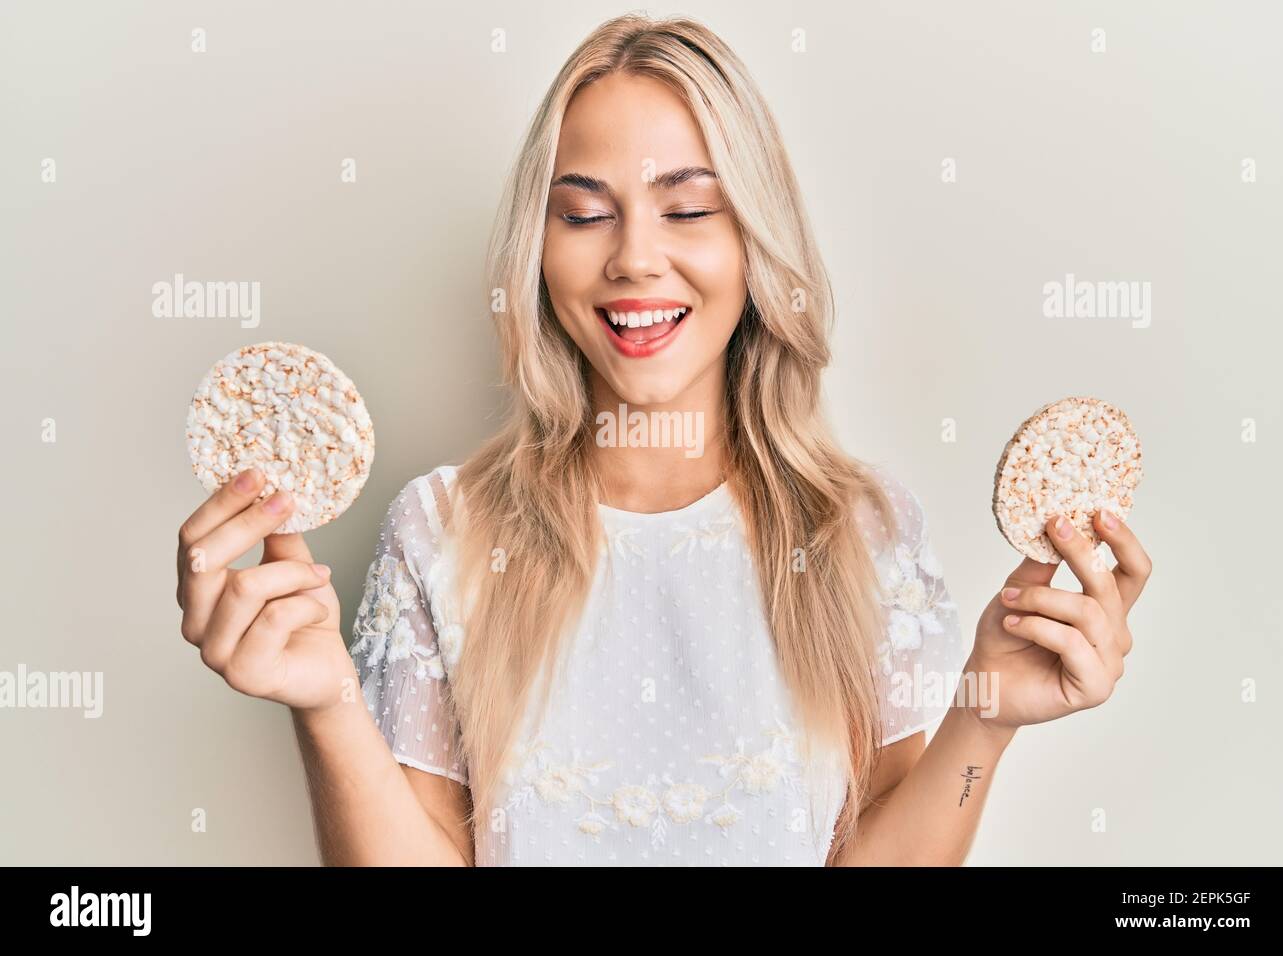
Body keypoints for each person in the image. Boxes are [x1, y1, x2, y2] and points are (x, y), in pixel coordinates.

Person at [174, 13, 1151, 866]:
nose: (634, 256)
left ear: (755, 242)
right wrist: (326, 704)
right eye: (585, 213)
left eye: (687, 208)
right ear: (538, 247)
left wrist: (985, 719)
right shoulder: (442, 532)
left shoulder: (862, 531)